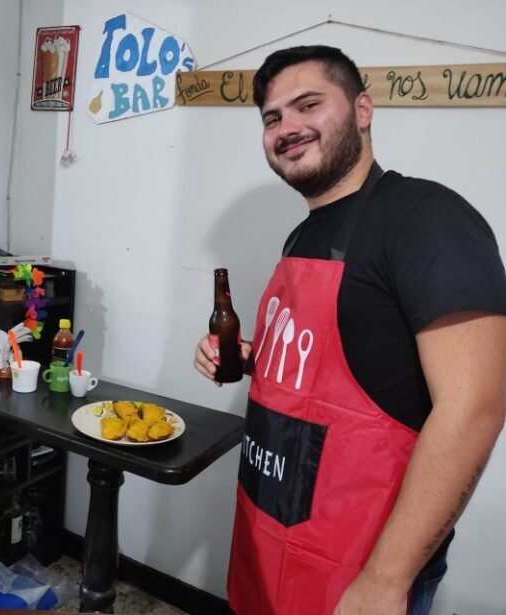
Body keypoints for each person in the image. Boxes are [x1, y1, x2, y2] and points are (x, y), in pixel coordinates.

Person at [194, 46, 506, 615]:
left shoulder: (426, 217)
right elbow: (335, 367)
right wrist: (252, 356)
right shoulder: (302, 236)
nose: (287, 127)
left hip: (362, 562)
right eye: (272, 118)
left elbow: (476, 406)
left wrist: (386, 581)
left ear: (363, 109)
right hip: (272, 528)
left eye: (307, 104)